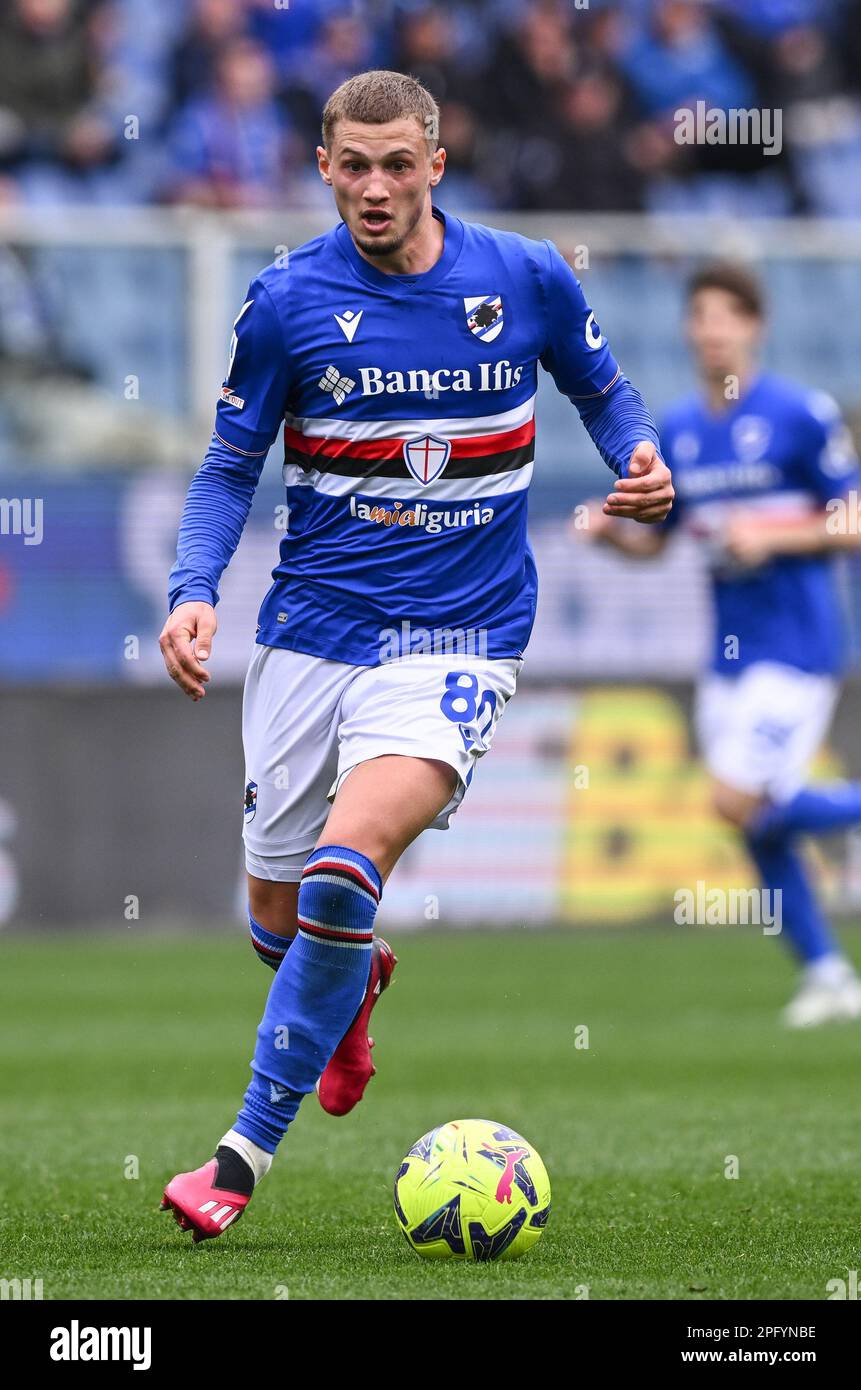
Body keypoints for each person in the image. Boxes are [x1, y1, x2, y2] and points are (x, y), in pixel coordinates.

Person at [158, 69, 672, 1242]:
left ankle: (236, 1158)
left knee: (345, 872)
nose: (377, 187)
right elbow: (229, 465)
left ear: (437, 164)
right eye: (354, 165)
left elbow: (602, 384)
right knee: (276, 924)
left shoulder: (523, 276)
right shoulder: (285, 301)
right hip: (309, 632)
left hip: (461, 637)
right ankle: (350, 991)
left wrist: (636, 452)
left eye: (400, 164)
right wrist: (193, 592)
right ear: (325, 169)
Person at [585, 261, 861, 1029]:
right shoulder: (677, 430)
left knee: (732, 797)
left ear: (755, 325)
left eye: (726, 315)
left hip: (800, 645)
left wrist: (776, 536)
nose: (712, 330)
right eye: (700, 316)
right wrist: (614, 536)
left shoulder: (799, 414)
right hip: (729, 657)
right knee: (755, 817)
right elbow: (662, 544)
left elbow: (855, 520)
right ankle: (831, 973)